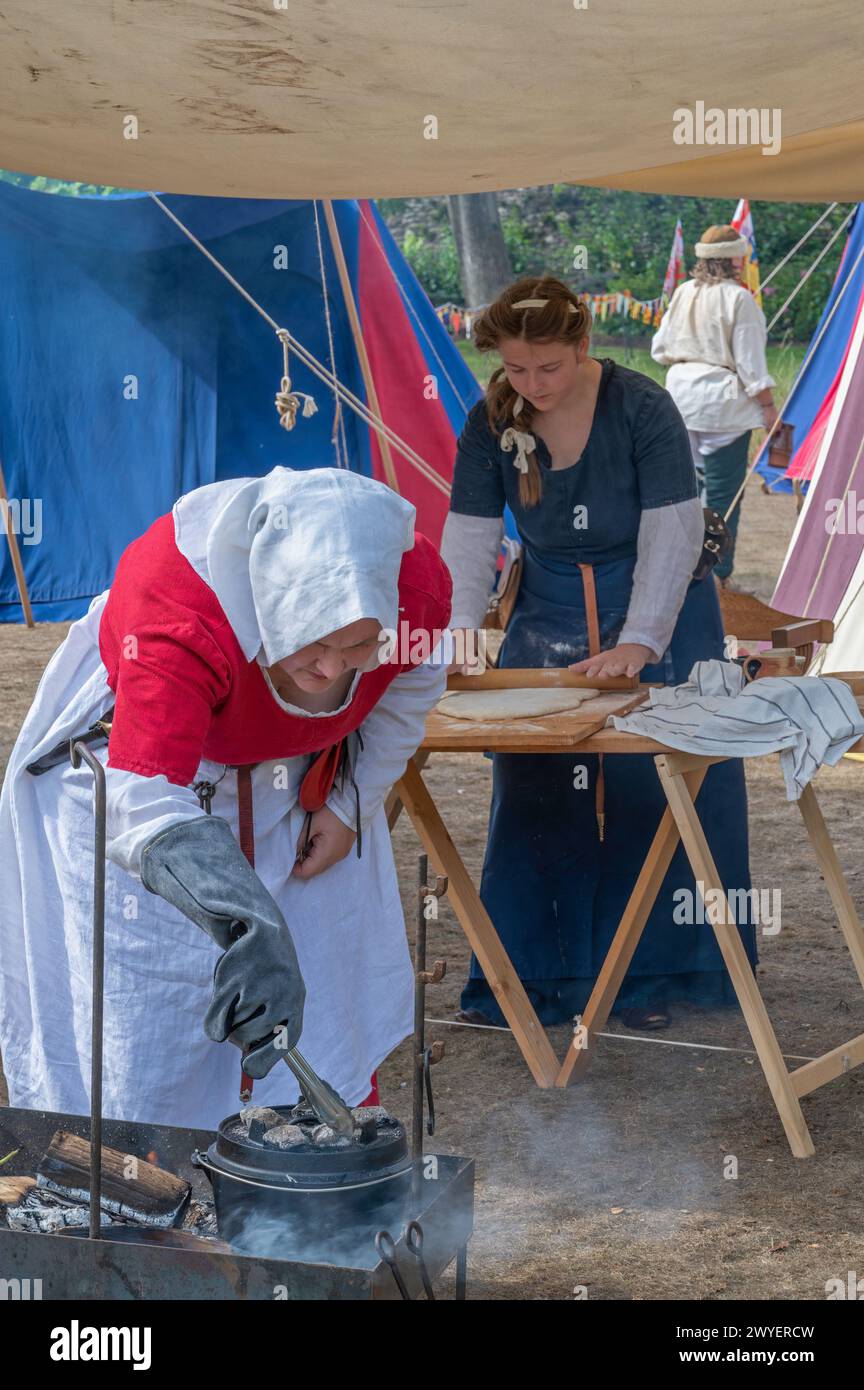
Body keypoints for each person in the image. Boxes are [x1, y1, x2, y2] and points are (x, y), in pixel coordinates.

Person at [0, 466, 452, 1128]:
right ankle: (149, 1180)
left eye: (354, 648)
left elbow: (412, 684)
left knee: (320, 975)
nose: (330, 671)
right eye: (311, 644)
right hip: (139, 785)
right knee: (156, 1001)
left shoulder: (408, 588)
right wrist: (243, 919)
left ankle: (303, 1169)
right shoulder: (177, 611)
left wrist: (352, 803)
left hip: (295, 786)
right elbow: (144, 794)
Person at [441, 275, 756, 1032]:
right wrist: (457, 629)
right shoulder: (491, 421)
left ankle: (650, 981)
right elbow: (470, 532)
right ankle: (540, 981)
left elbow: (675, 532)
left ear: (583, 346)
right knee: (538, 784)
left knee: (657, 785)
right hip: (548, 610)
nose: (533, 384)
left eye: (548, 367)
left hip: (665, 605)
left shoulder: (643, 406)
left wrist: (641, 638)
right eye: (517, 369)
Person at [651, 224, 778, 588]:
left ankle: (685, 569)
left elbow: (659, 349)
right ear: (734, 258)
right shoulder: (738, 299)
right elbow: (750, 364)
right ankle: (717, 579)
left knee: (688, 490)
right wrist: (768, 406)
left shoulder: (683, 292)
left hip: (681, 398)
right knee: (723, 495)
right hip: (722, 407)